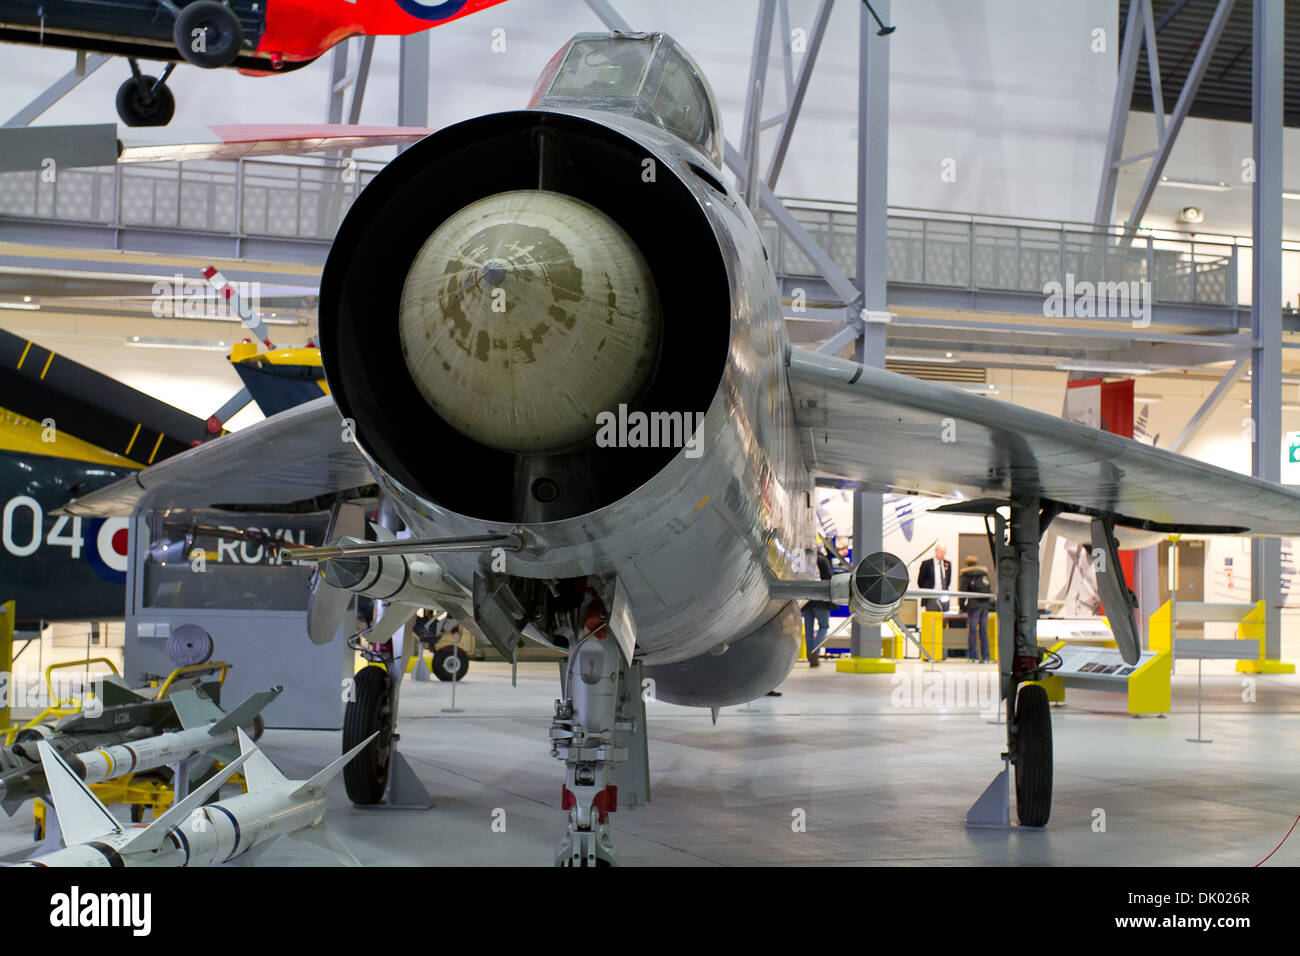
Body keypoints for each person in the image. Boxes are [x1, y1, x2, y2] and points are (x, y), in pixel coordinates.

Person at [802, 544, 834, 667]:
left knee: (809, 630)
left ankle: (810, 655)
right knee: (824, 626)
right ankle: (815, 650)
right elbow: (829, 579)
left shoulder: (804, 562)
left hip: (806, 601)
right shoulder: (823, 561)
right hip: (821, 600)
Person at [959, 555, 993, 662]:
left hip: (974, 606)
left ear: (967, 564)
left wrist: (962, 607)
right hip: (985, 605)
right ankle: (986, 656)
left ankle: (973, 656)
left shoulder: (966, 575)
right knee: (984, 631)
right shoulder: (983, 574)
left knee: (973, 631)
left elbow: (963, 592)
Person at [916, 545, 951, 612]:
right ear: (936, 551)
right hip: (931, 595)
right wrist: (926, 591)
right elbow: (920, 581)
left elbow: (948, 581)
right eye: (942, 552)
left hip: (944, 595)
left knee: (943, 617)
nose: (943, 554)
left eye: (945, 552)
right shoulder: (926, 564)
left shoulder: (947, 564)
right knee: (932, 617)